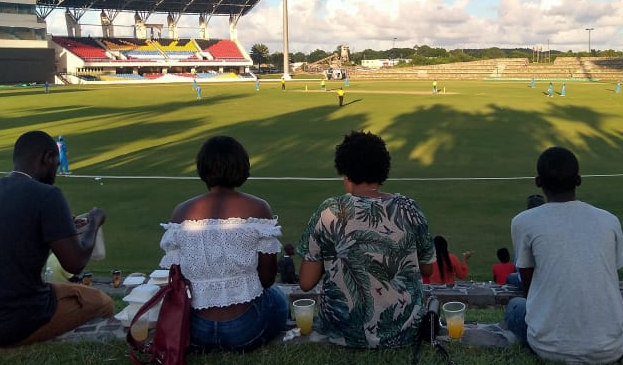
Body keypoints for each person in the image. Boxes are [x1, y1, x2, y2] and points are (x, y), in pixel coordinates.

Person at [0, 131, 113, 347]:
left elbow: (11, 232)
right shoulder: (48, 194)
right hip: (13, 323)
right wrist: (94, 223)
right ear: (48, 158)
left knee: (64, 291)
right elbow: (75, 263)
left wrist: (64, 226)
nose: (56, 170)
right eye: (55, 163)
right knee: (102, 302)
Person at [297, 131, 435, 348]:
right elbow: (427, 269)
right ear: (383, 170)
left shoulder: (329, 211)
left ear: (345, 172)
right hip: (404, 330)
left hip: (340, 331)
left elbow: (306, 282)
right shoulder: (409, 208)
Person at [159, 136, 288, 352]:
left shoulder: (181, 212)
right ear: (242, 167)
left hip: (196, 330)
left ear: (202, 168)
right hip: (246, 330)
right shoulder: (258, 208)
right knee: (278, 299)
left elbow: (179, 282)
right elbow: (266, 280)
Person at [506, 147, 623, 363]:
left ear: (538, 182)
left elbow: (528, 286)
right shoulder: (609, 220)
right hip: (611, 345)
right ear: (578, 180)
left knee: (515, 306)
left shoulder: (523, 221)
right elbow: (609, 275)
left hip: (548, 347)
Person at [506, 194, 545, 288]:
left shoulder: (521, 223)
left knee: (511, 277)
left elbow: (522, 264)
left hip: (532, 279)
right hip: (546, 277)